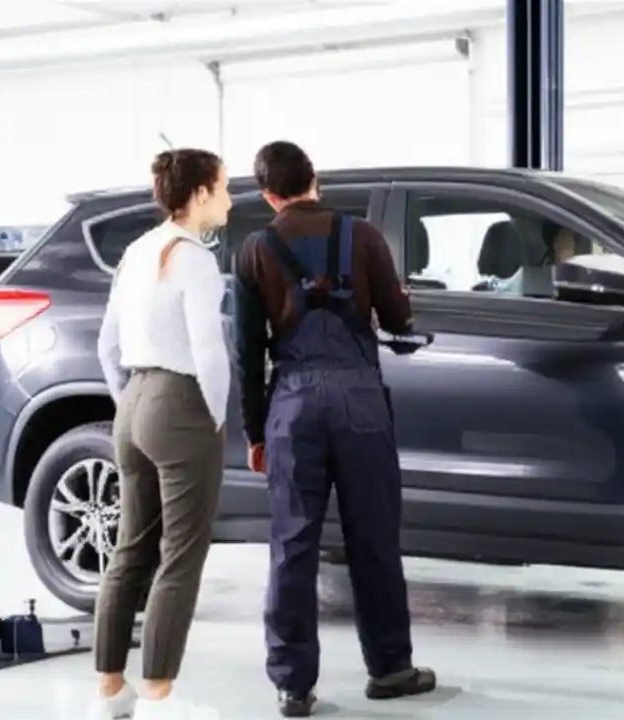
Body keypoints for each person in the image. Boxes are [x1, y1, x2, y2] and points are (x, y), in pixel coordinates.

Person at [232, 141, 436, 717]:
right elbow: (398, 320)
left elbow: (247, 353)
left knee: (293, 544)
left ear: (269, 194)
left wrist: (254, 432)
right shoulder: (364, 236)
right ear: (314, 179)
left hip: (292, 406)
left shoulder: (254, 250)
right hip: (360, 403)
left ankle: (294, 685)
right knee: (373, 537)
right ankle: (391, 668)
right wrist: (397, 304)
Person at [89, 148, 233, 720]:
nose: (227, 198)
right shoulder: (192, 258)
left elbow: (106, 345)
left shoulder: (136, 250)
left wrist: (130, 400)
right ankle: (159, 698)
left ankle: (108, 690)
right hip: (181, 405)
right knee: (180, 556)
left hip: (134, 401)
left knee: (129, 552)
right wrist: (215, 416)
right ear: (198, 193)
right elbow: (209, 351)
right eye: (222, 188)